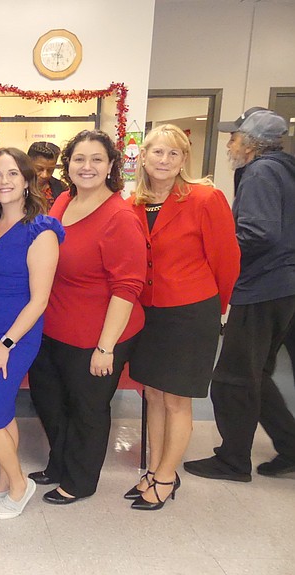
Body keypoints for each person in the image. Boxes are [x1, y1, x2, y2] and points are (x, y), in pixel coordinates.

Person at [27, 130, 146, 504]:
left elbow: (127, 288)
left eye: (97, 159)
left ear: (111, 165)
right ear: (69, 165)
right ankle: (58, 462)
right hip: (54, 327)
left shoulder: (119, 216)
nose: (87, 166)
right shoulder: (63, 199)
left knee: (87, 409)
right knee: (50, 401)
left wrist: (105, 347)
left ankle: (79, 481)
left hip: (98, 334)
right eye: (79, 158)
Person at [125, 124, 240, 510]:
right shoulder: (134, 203)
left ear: (183, 160)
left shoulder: (206, 199)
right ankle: (155, 468)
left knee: (176, 400)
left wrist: (216, 311)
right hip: (150, 314)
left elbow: (227, 261)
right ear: (143, 156)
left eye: (173, 154)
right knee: (153, 394)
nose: (164, 160)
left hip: (191, 314)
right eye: (157, 152)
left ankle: (167, 477)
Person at [184, 107, 295, 481]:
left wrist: (218, 255)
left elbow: (259, 233)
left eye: (234, 136)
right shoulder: (284, 167)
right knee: (258, 374)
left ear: (250, 142)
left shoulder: (261, 172)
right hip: (284, 287)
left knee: (233, 377)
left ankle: (232, 461)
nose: (229, 142)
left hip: (262, 287)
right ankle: (291, 446)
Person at [0, 148, 63, 520]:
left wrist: (7, 344)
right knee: (2, 414)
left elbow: (39, 300)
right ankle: (4, 483)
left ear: (27, 180)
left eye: (11, 174)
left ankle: (21, 485)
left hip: (14, 336)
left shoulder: (41, 230)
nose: (3, 182)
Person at [27, 141, 66, 208]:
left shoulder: (61, 188)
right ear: (28, 164)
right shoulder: (16, 187)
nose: (45, 175)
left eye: (50, 170)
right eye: (39, 169)